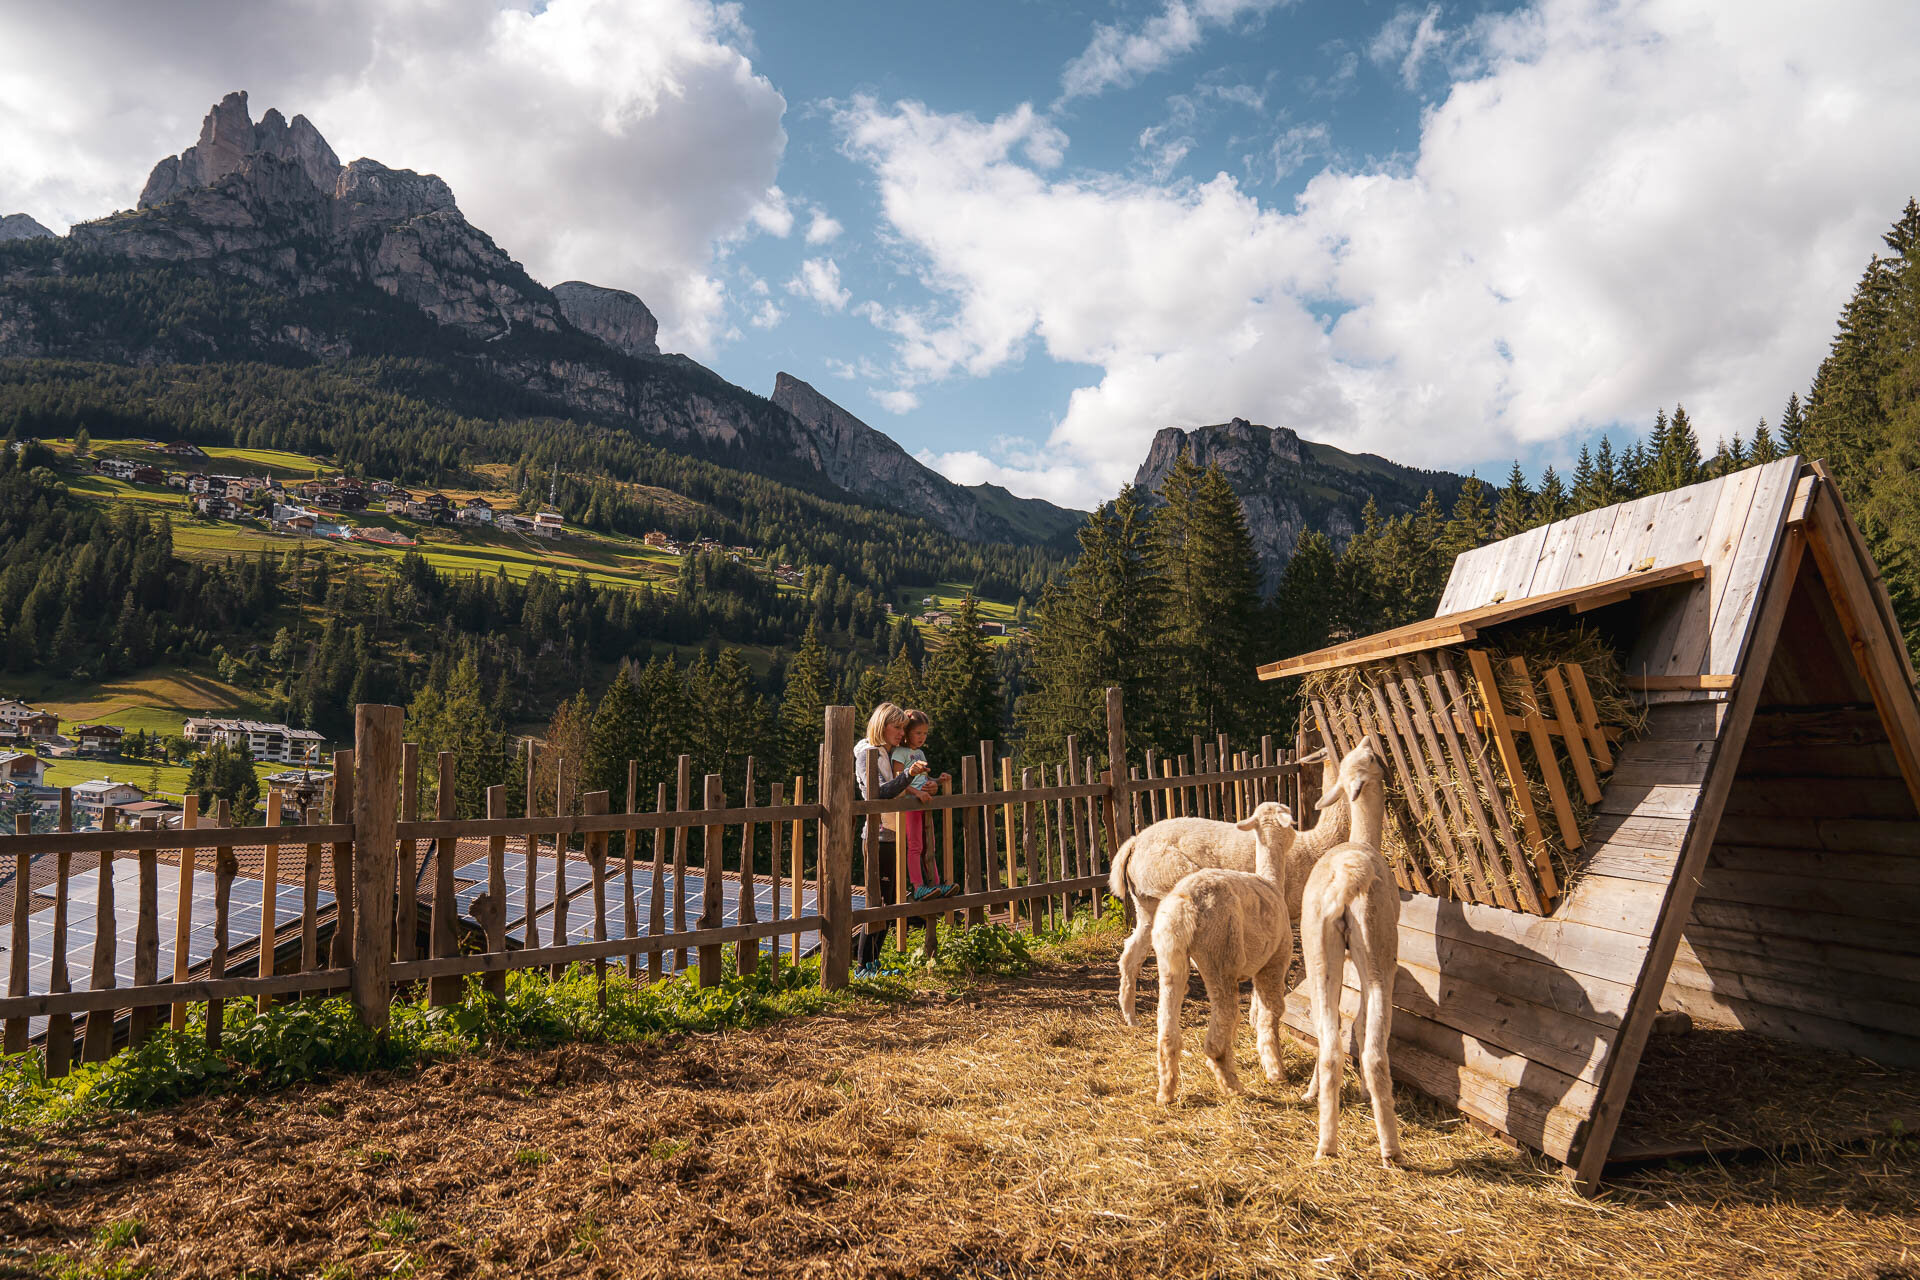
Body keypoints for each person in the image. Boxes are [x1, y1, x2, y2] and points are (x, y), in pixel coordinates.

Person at [852, 702, 927, 973]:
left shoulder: (888, 753)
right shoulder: (867, 755)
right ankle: (862, 966)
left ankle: (873, 962)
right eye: (896, 727)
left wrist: (919, 784)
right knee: (878, 902)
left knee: (890, 903)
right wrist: (909, 775)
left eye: (902, 727)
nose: (900, 733)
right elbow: (879, 794)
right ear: (881, 726)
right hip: (878, 837)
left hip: (894, 834)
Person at [891, 709, 954, 900]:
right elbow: (898, 780)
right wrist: (917, 792)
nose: (922, 737)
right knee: (915, 846)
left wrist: (938, 781)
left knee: (930, 845)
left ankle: (935, 884)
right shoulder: (899, 753)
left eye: (925, 733)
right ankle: (918, 886)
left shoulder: (920, 753)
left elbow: (923, 779)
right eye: (918, 733)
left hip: (923, 804)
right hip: (910, 805)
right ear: (907, 732)